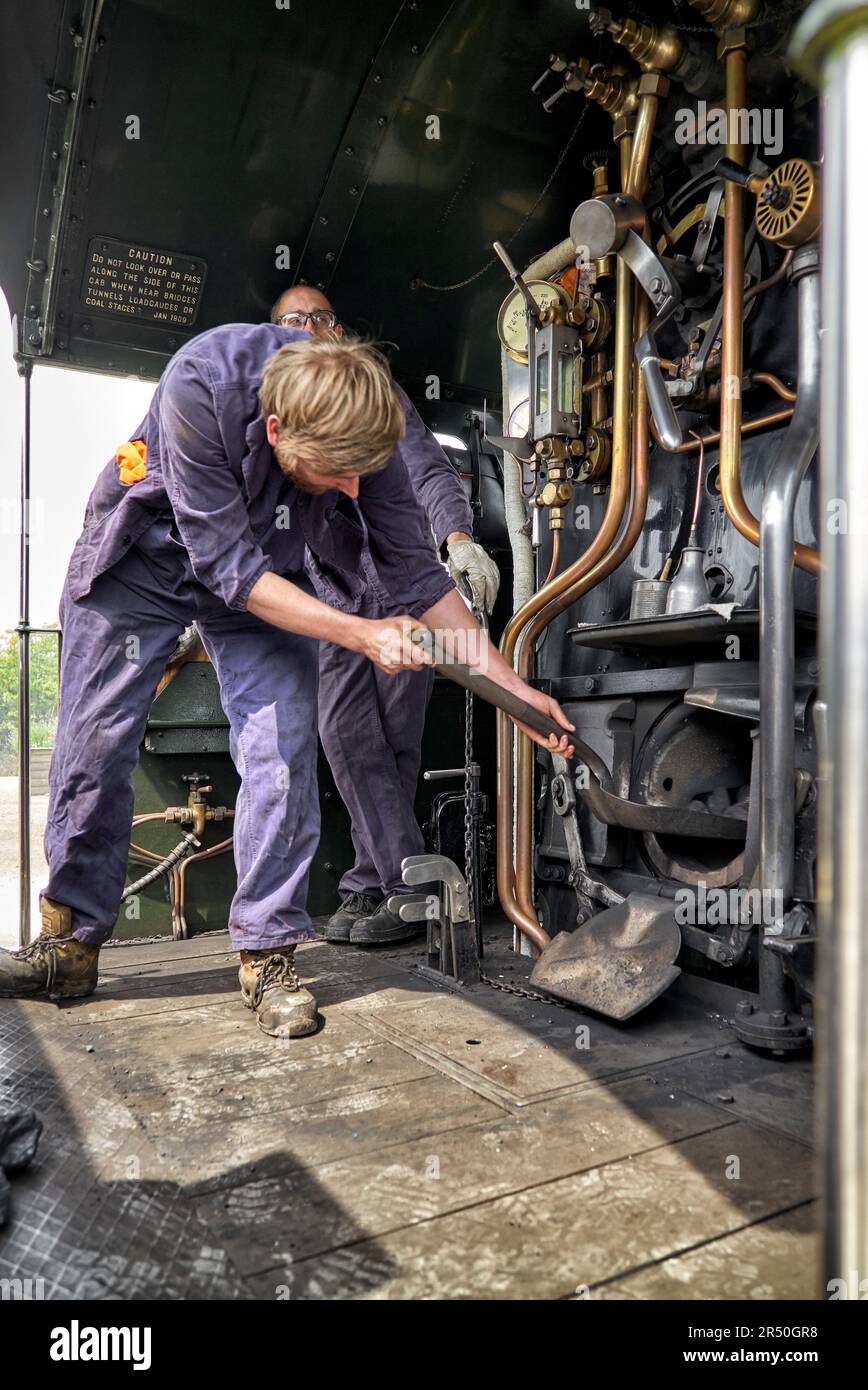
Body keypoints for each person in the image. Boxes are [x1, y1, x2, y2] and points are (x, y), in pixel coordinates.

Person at [0, 323, 574, 1039]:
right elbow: (226, 570)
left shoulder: (370, 428)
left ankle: (267, 951)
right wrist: (362, 633)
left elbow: (419, 578)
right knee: (95, 741)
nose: (354, 488)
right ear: (275, 429)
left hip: (271, 565)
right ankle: (70, 944)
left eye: (362, 473)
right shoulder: (199, 385)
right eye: (335, 472)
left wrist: (514, 692)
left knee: (283, 742)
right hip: (148, 557)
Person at [270, 285, 500, 944]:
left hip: (403, 590)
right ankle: (408, 883)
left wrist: (457, 539)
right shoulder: (268, 408)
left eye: (323, 316)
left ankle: (375, 886)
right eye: (296, 320)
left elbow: (429, 473)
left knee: (396, 744)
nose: (312, 327)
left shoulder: (379, 397)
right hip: (336, 602)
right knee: (344, 733)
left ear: (338, 331)